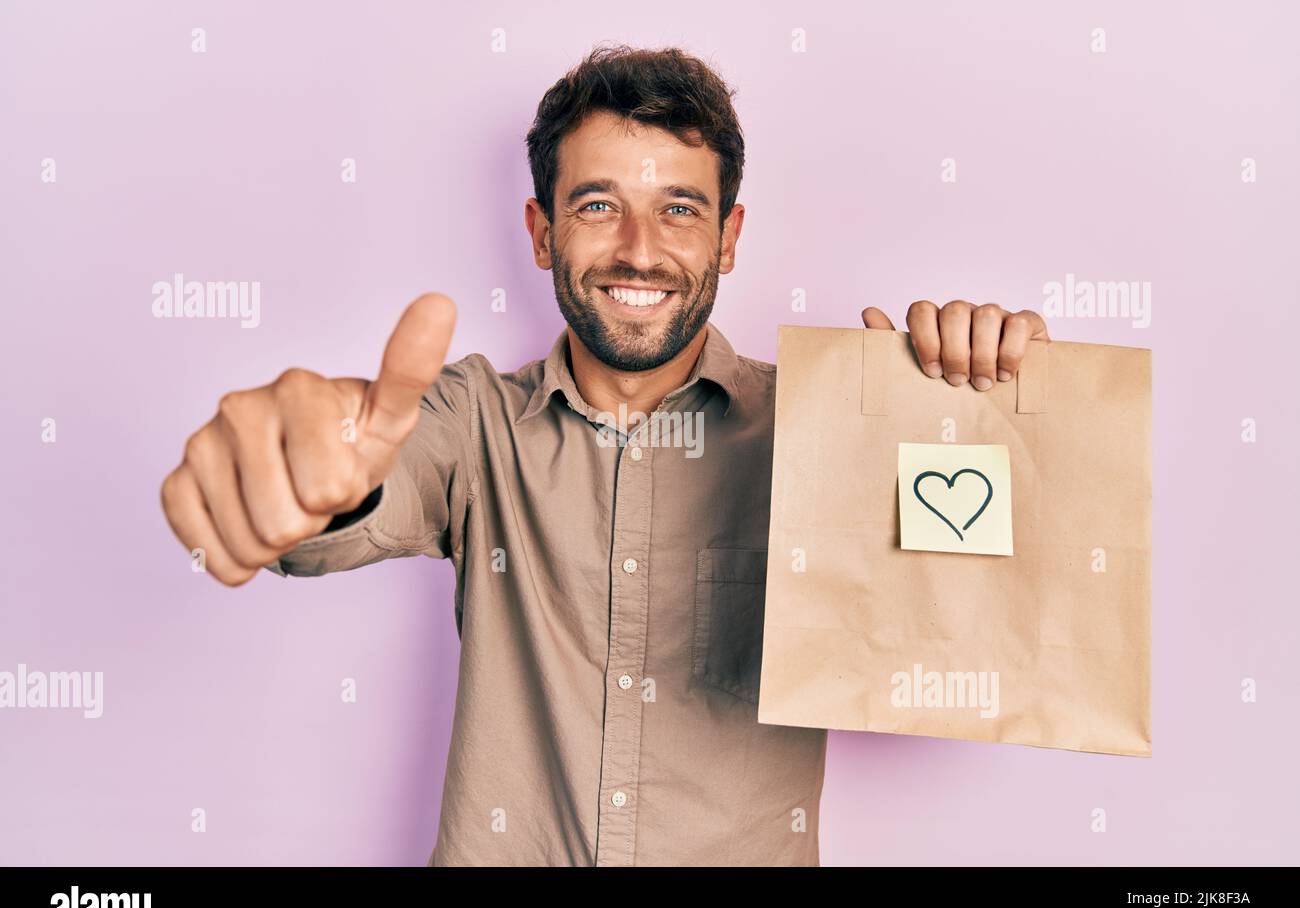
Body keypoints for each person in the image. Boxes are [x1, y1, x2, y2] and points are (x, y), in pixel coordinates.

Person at [160, 45, 1050, 866]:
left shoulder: (824, 427)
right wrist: (311, 477)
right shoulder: (473, 418)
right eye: (597, 206)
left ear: (728, 238)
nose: (639, 249)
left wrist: (968, 404)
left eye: (678, 209)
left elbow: (958, 635)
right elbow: (355, 495)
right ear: (543, 232)